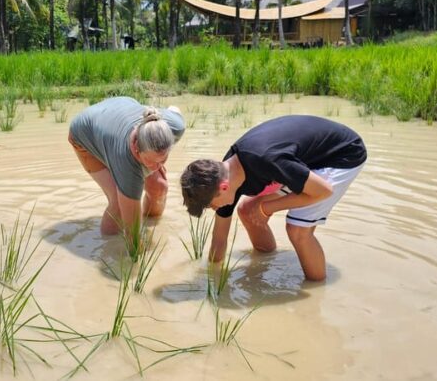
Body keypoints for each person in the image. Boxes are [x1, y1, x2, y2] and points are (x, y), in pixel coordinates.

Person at [180, 115, 366, 281]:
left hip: (342, 154)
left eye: (210, 205)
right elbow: (219, 239)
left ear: (223, 187)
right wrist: (211, 277)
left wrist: (268, 208)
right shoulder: (223, 173)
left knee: (297, 230)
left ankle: (316, 290)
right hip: (302, 161)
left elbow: (323, 191)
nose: (214, 208)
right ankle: (268, 258)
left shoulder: (267, 160)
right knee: (247, 210)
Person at [69, 97, 185, 235]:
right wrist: (134, 250)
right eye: (150, 161)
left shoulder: (175, 127)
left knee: (159, 187)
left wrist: (153, 161)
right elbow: (132, 234)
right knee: (118, 206)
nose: (155, 167)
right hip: (84, 133)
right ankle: (108, 247)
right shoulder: (125, 159)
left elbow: (174, 110)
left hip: (122, 105)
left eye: (162, 159)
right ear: (136, 147)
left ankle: (152, 226)